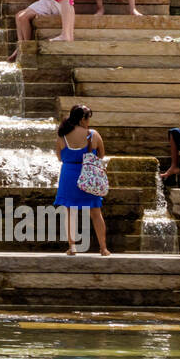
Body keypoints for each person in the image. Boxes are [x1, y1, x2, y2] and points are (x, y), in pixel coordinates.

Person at [54, 104, 110, 256]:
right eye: (88, 118)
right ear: (82, 119)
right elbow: (101, 155)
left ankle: (72, 248)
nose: (89, 122)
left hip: (68, 175)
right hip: (88, 175)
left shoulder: (62, 135)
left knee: (70, 212)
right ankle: (103, 248)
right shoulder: (93, 134)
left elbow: (59, 157)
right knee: (96, 212)